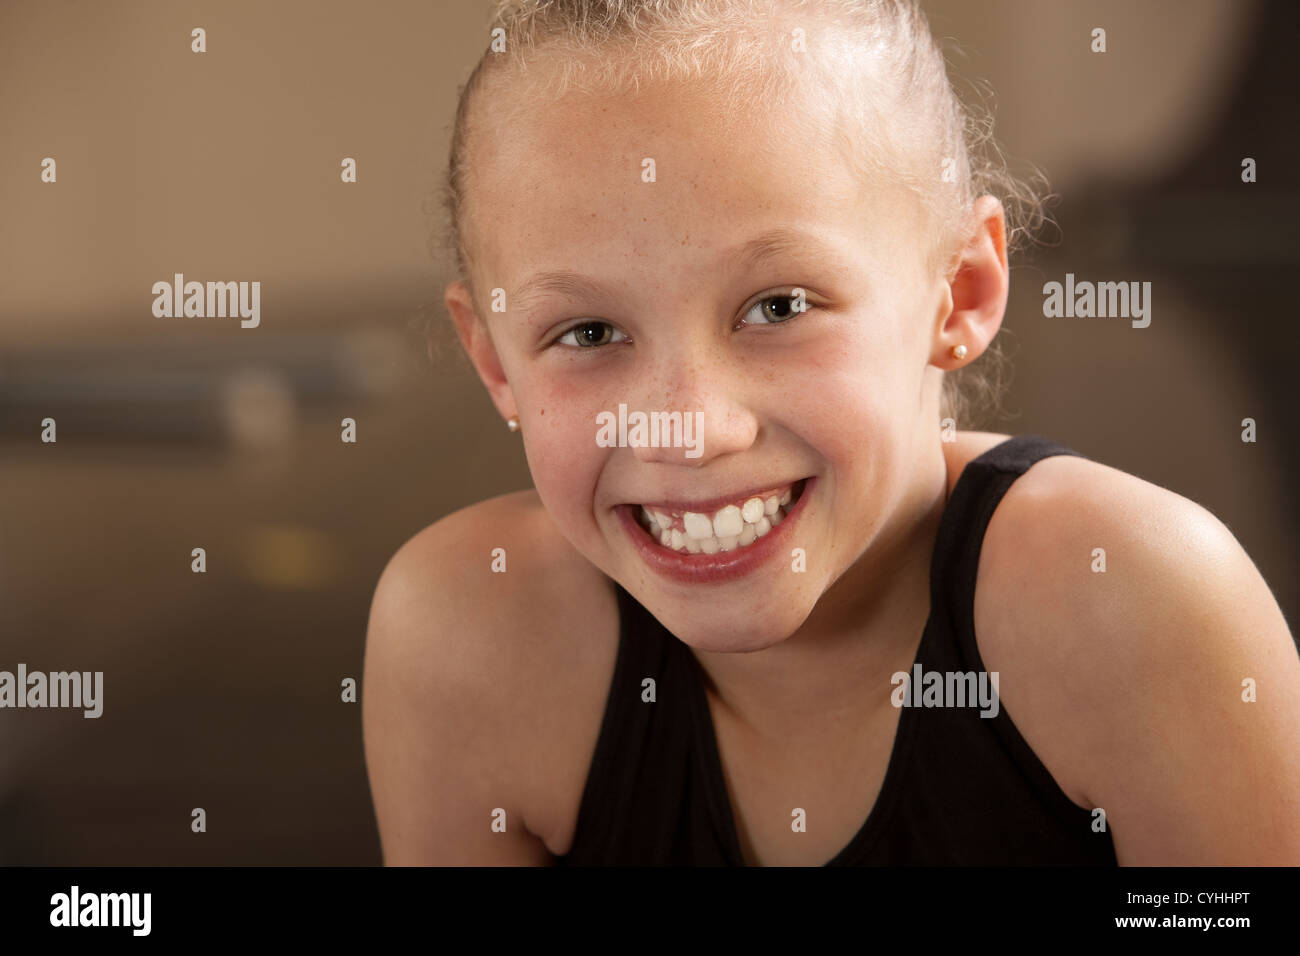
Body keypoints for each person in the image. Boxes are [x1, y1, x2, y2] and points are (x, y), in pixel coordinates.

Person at [362, 0, 1300, 865]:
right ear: (495, 363)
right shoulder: (465, 641)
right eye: (589, 333)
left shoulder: (1131, 606)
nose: (690, 428)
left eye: (778, 306)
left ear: (960, 292)